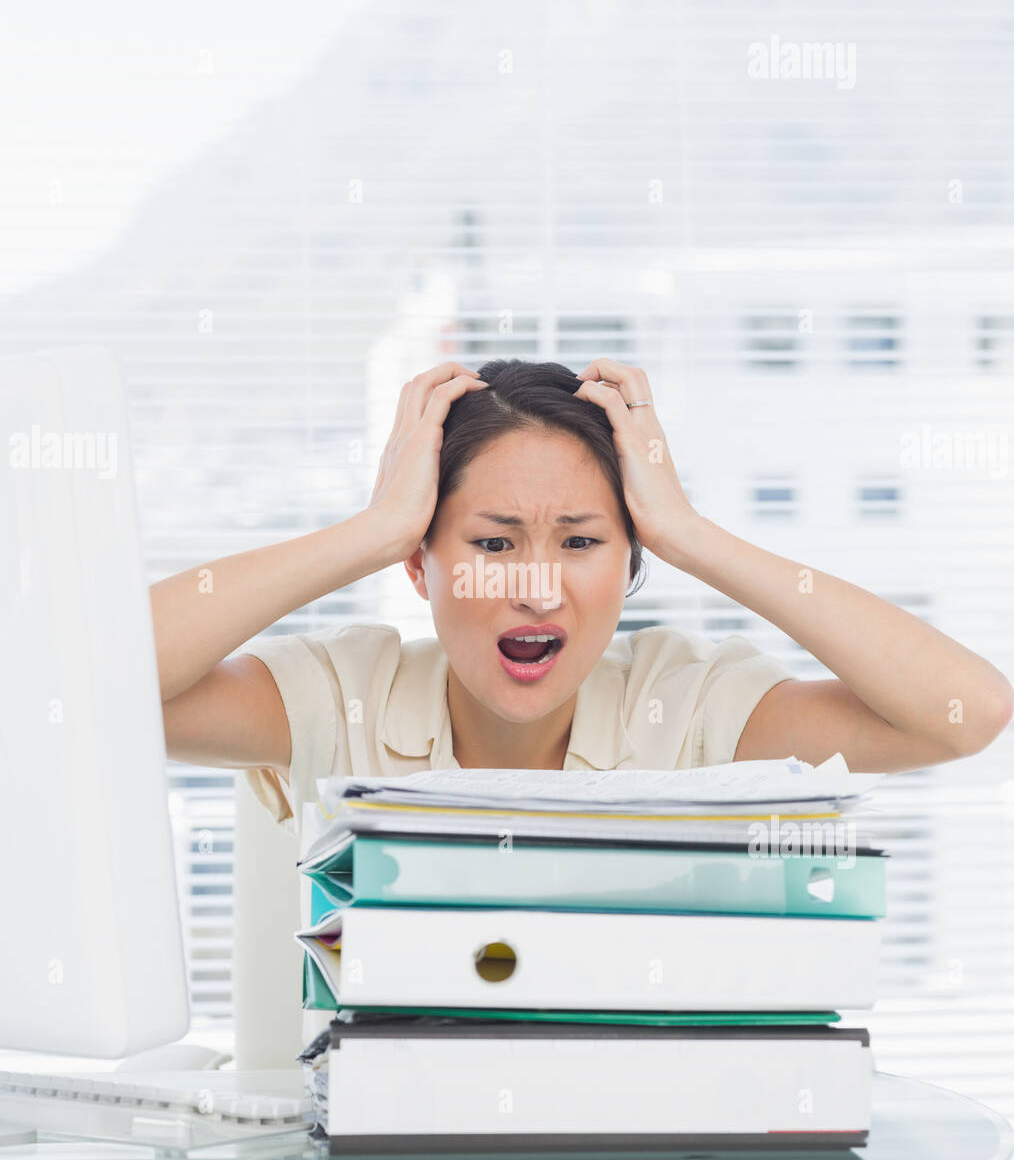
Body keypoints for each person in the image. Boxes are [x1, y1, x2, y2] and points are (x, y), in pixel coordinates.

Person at [153, 357, 1014, 841]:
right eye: (492, 544)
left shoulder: (689, 707)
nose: (536, 590)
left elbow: (964, 714)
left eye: (580, 543)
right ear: (421, 566)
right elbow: (90, 683)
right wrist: (372, 531)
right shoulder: (344, 699)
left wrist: (687, 533)